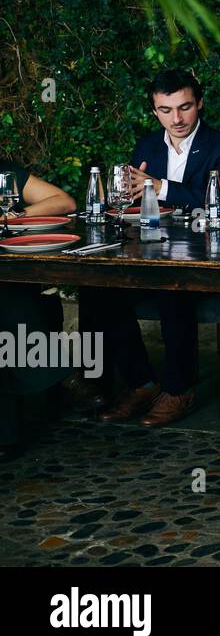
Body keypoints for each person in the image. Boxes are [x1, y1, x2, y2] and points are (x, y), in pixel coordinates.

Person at [80, 69, 220, 427]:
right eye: (166, 110)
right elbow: (135, 199)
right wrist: (121, 198)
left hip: (207, 255)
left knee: (173, 287)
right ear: (155, 111)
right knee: (96, 290)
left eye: (185, 107)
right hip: (151, 249)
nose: (177, 118)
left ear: (199, 104)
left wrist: (161, 186)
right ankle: (141, 383)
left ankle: (179, 388)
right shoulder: (147, 146)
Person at [0, 161, 77, 460]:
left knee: (8, 296)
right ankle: (54, 373)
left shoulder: (4, 173)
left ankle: (8, 431)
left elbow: (64, 201)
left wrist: (12, 216)